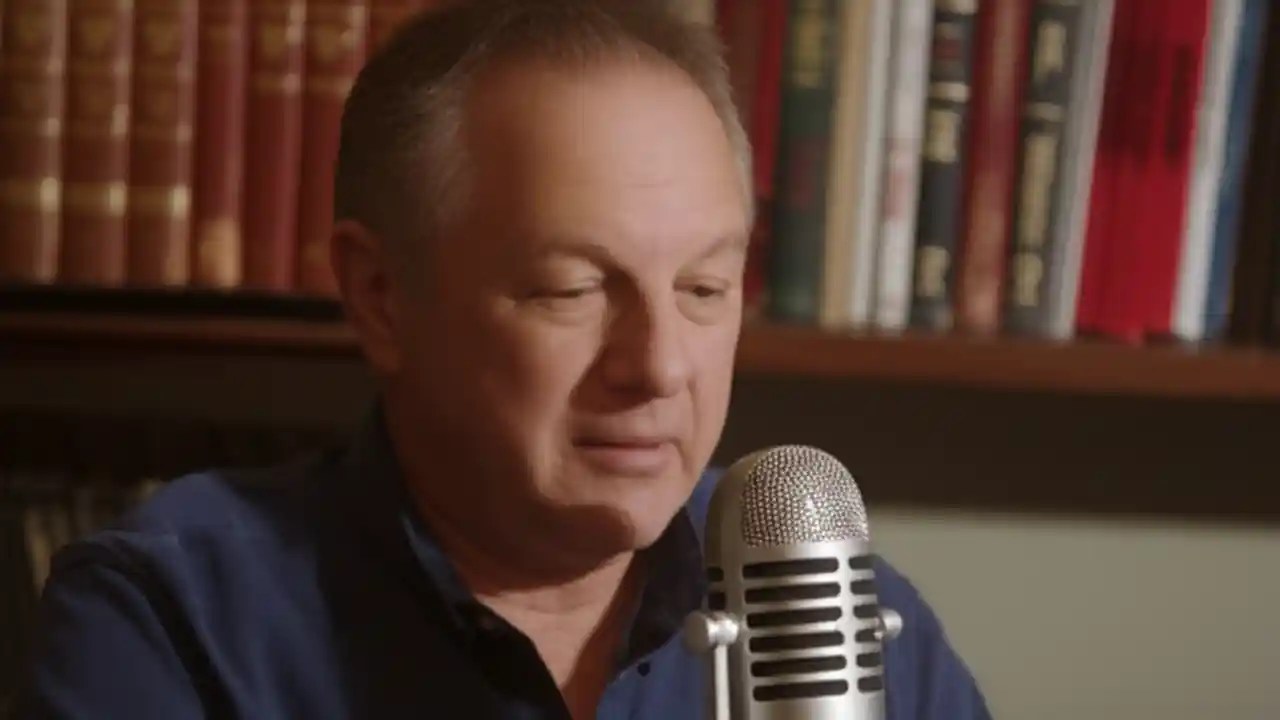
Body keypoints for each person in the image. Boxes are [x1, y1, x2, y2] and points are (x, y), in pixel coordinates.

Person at [16, 1, 991, 718]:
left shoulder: (842, 622)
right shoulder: (174, 621)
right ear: (381, 297)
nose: (657, 366)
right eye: (570, 291)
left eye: (702, 290)